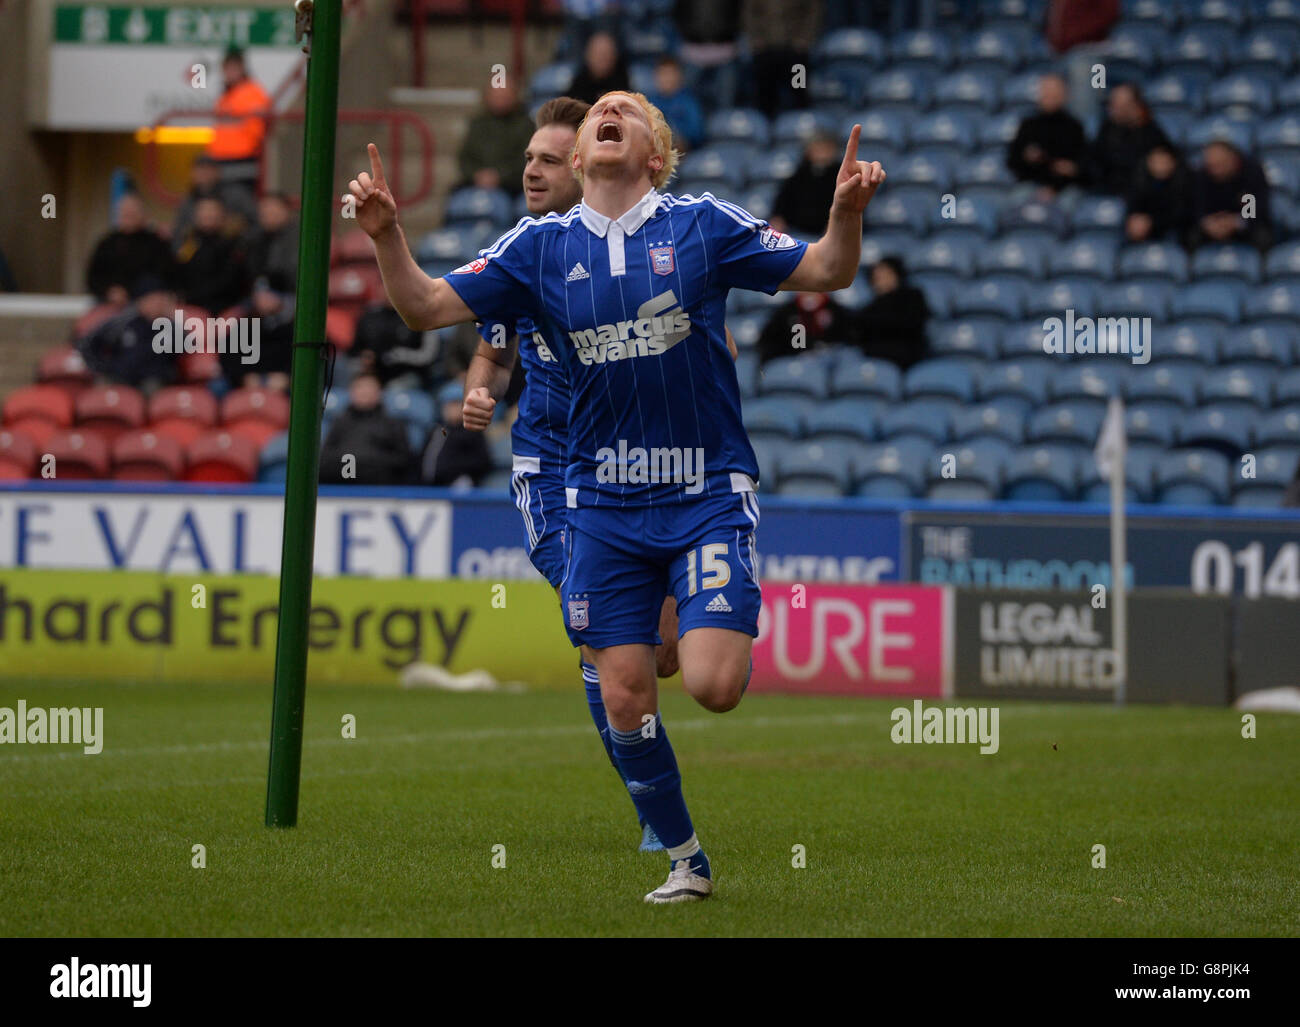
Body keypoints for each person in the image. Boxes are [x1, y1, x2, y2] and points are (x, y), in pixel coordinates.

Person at [348, 90, 884, 902]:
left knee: (711, 684)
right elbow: (423, 306)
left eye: (627, 111)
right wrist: (389, 234)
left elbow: (829, 269)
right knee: (626, 688)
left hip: (702, 487)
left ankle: (710, 599)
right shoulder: (539, 246)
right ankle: (685, 858)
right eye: (601, 107)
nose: (609, 112)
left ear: (653, 156)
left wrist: (844, 213)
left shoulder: (702, 225)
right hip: (598, 499)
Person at [460, 96, 675, 854]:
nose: (533, 170)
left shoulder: (633, 244)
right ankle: (652, 811)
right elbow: (492, 347)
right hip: (550, 468)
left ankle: (648, 773)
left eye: (549, 159)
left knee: (662, 650)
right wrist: (478, 388)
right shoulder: (522, 257)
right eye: (527, 160)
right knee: (599, 641)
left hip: (632, 467)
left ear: (582, 161)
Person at [76, 273, 179, 389]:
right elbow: (87, 343)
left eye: (161, 299)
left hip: (153, 382)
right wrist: (102, 368)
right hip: (119, 378)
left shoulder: (168, 326)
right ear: (141, 301)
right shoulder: (124, 322)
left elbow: (186, 347)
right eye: (153, 299)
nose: (158, 304)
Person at [320, 373, 412, 485]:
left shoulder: (393, 424)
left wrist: (369, 464)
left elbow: (403, 460)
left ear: (379, 393)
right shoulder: (340, 422)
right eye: (360, 388)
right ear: (351, 392)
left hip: (380, 487)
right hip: (341, 484)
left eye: (369, 388)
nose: (364, 392)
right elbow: (326, 456)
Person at [85, 193, 177, 306]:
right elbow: (93, 278)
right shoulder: (106, 244)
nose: (129, 217)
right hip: (110, 304)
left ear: (143, 215)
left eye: (133, 213)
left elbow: (169, 276)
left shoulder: (157, 243)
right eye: (125, 214)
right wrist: (109, 292)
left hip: (149, 306)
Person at [1006, 73, 1087, 194]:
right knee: (1019, 197)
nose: (1050, 97)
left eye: (1054, 93)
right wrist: (1026, 158)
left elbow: (1082, 165)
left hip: (1065, 187)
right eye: (1046, 92)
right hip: (1032, 184)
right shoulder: (1028, 125)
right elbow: (1013, 160)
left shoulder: (1074, 127)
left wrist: (1071, 169)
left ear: (1064, 96)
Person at [1186, 140, 1273, 251]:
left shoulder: (1251, 173)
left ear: (1234, 160)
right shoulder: (1201, 175)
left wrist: (1235, 222)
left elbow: (1256, 210)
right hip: (1213, 223)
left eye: (1220, 165)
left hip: (1243, 224)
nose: (1215, 171)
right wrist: (1208, 223)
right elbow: (1196, 206)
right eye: (1211, 166)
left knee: (1262, 236)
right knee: (1191, 236)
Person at [206, 47, 271, 193]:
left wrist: (251, 148)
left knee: (238, 201)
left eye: (234, 68)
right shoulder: (227, 95)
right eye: (227, 68)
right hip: (221, 159)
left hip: (242, 159)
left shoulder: (253, 92)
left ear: (242, 68)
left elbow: (258, 129)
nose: (230, 72)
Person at [1088, 83, 1171, 197]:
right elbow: (1095, 160)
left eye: (1119, 105)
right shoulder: (1107, 128)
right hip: (1104, 191)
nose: (1112, 109)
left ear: (1134, 106)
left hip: (1137, 196)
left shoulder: (1152, 134)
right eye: (1112, 104)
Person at [742, 0, 822, 119]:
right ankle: (766, 130)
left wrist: (805, 38)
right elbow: (749, 13)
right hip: (765, 51)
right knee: (764, 98)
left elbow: (814, 11)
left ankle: (801, 128)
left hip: (796, 54)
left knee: (799, 94)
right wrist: (755, 39)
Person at [457, 83, 538, 195]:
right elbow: (465, 157)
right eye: (496, 96)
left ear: (515, 97)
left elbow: (527, 159)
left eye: (505, 96)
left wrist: (499, 176)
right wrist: (476, 175)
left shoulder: (526, 126)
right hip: (476, 182)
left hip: (515, 185)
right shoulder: (477, 124)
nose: (500, 101)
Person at [174, 195, 249, 315]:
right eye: (203, 210)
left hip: (225, 309)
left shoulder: (234, 243)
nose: (208, 214)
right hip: (190, 307)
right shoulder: (189, 241)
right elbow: (180, 270)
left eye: (212, 210)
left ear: (222, 214)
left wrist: (193, 297)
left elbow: (230, 280)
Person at [855, 257, 929, 370]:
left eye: (885, 274)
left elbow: (908, 324)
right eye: (876, 276)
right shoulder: (871, 306)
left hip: (905, 359)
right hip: (873, 360)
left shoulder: (912, 297)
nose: (878, 278)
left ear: (896, 275)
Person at [419, 382, 493, 488]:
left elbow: (483, 461)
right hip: (429, 487)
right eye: (448, 405)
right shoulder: (436, 430)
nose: (451, 409)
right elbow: (423, 459)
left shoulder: (472, 431)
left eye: (455, 404)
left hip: (457, 486)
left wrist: (453, 468)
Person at [171, 155, 258, 244]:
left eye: (208, 170)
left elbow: (256, 224)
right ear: (192, 174)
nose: (204, 175)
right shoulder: (188, 201)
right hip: (200, 251)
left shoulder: (236, 195)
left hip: (232, 249)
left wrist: (234, 229)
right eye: (200, 170)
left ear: (217, 172)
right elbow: (178, 235)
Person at [770, 131, 842, 237]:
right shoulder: (798, 175)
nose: (822, 154)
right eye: (817, 148)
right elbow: (783, 203)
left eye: (826, 149)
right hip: (796, 232)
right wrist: (778, 219)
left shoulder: (840, 176)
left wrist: (836, 225)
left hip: (828, 234)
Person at [756, 290, 856, 364]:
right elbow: (767, 346)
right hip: (793, 369)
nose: (809, 291)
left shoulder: (837, 312)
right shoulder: (784, 314)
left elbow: (851, 344)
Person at [1124, 143, 1190, 244]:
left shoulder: (1183, 183)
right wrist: (1135, 221)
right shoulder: (1140, 182)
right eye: (1156, 161)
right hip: (1143, 233)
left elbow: (1181, 214)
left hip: (1174, 234)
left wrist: (1151, 222)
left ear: (1173, 163)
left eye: (1164, 161)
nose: (1160, 166)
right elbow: (1134, 209)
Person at [644, 57, 705, 153]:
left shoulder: (688, 102)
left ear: (679, 77)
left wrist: (680, 137)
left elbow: (697, 132)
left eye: (670, 74)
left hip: (683, 150)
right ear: (656, 77)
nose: (667, 79)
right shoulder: (649, 102)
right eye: (663, 74)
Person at [246, 191, 299, 293]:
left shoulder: (298, 236)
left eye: (273, 212)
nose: (268, 217)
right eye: (264, 213)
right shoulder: (256, 237)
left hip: (291, 294)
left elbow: (292, 274)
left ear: (287, 211)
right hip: (261, 295)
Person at [567, 30, 630, 106]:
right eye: (598, 54)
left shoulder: (623, 82)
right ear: (588, 56)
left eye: (606, 54)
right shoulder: (578, 84)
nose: (602, 59)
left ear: (614, 56)